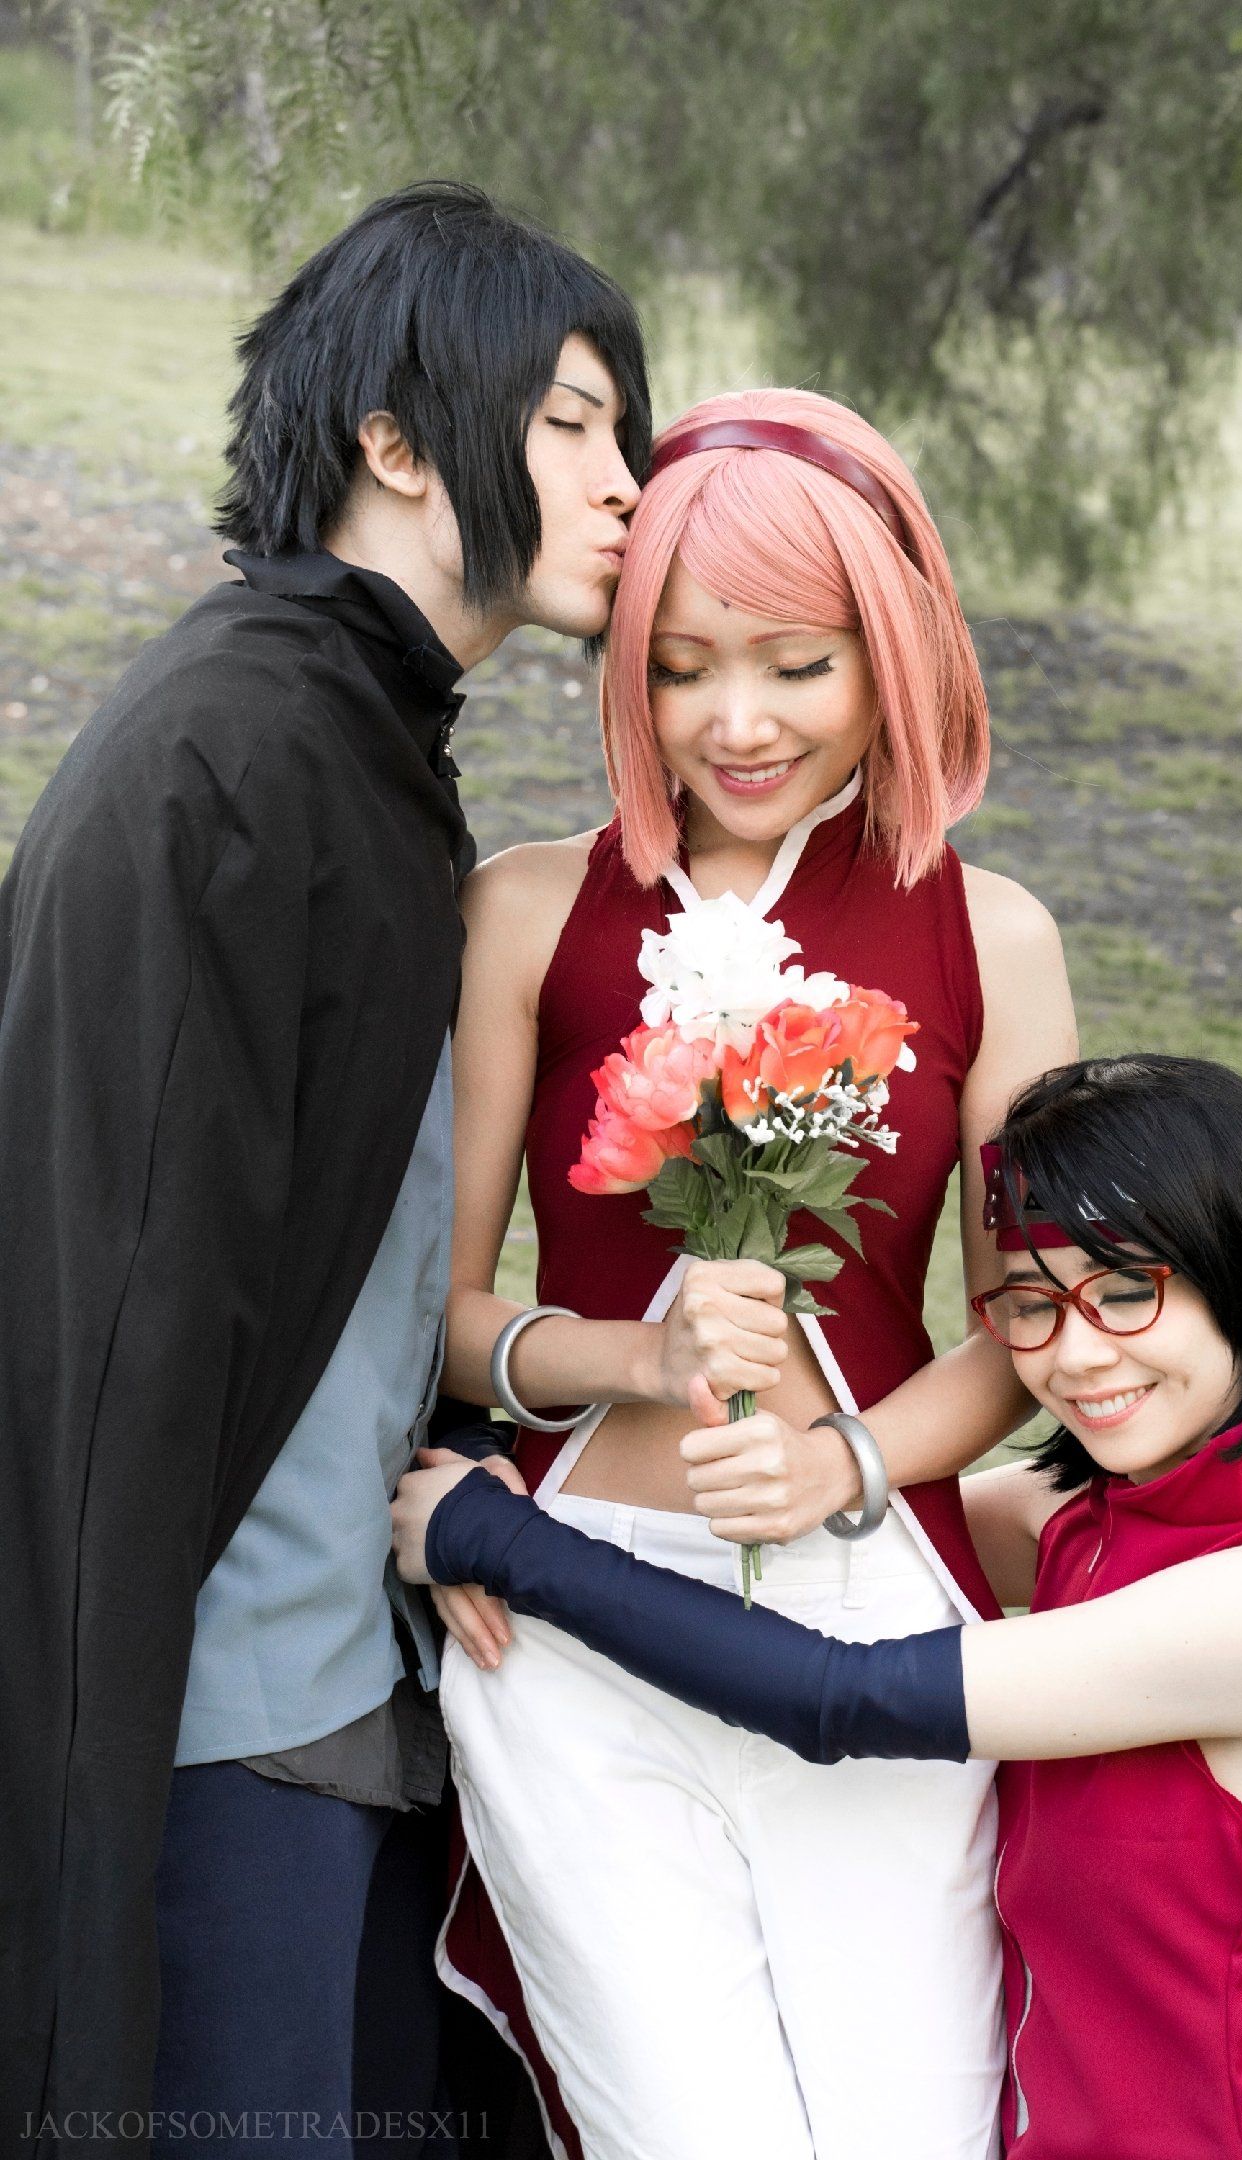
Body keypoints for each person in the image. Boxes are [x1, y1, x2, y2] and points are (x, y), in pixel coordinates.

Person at [0, 180, 648, 2158]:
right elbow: (122, 1310)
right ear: (394, 441)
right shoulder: (240, 754)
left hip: (342, 1676)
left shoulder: (355, 740)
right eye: (570, 423)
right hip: (216, 1717)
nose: (623, 483)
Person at [419, 387, 1077, 2159]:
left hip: (881, 1606)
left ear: (891, 653)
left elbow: (1026, 1330)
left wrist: (842, 1462)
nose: (737, 721)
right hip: (570, 1615)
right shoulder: (529, 912)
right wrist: (628, 1362)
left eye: (797, 664)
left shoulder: (992, 936)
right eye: (681, 668)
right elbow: (437, 1316)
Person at [396, 1051, 1242, 2160]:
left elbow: (840, 1695)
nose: (1077, 1356)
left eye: (1128, 1292)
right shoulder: (1099, 1518)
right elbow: (835, 1557)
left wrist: (503, 1543)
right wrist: (496, 1471)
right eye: (1031, 1306)